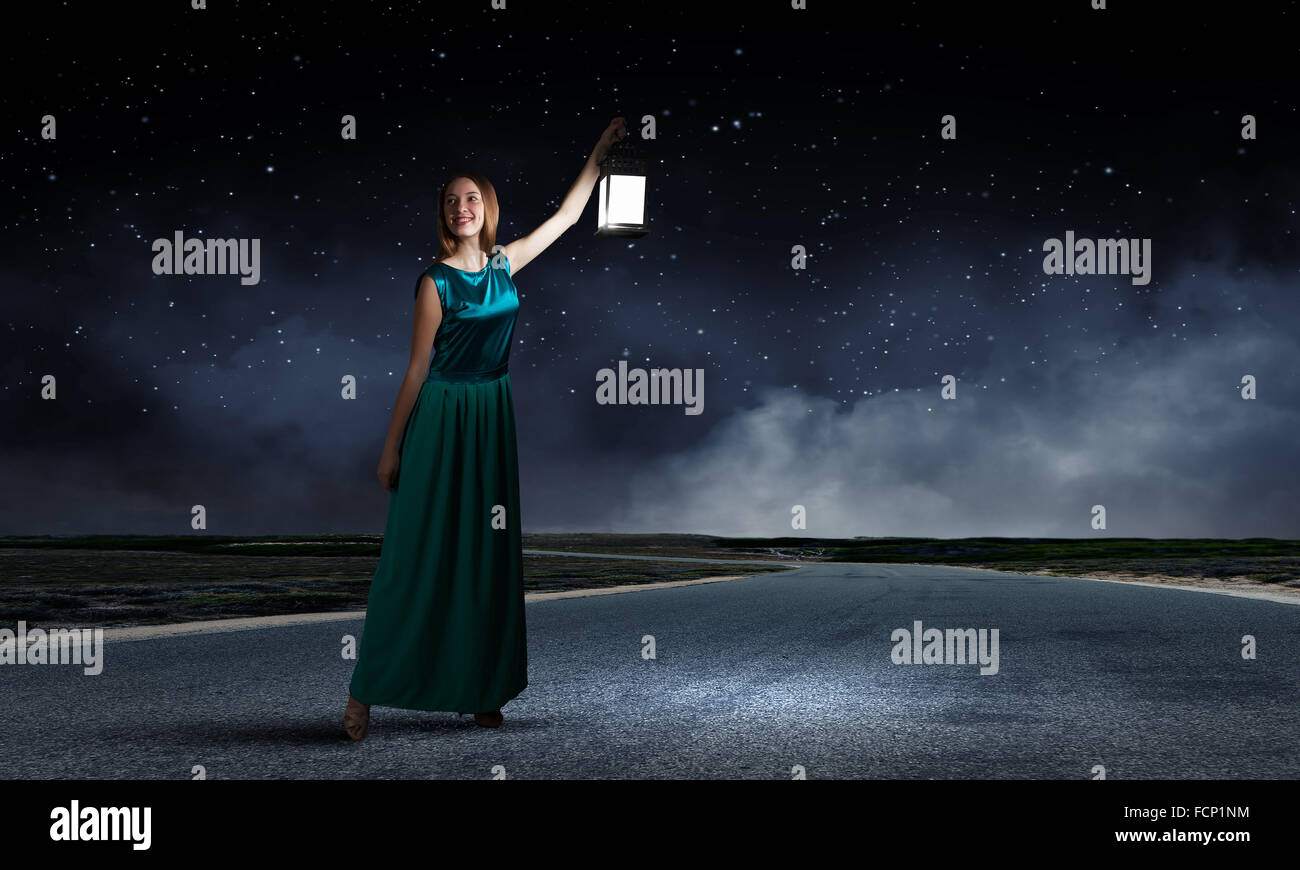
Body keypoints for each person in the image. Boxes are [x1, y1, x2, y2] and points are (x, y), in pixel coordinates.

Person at [343, 117, 629, 739]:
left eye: (472, 197)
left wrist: (599, 155)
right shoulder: (434, 282)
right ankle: (364, 692)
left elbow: (566, 218)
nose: (462, 206)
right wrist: (391, 450)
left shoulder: (504, 264)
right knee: (417, 559)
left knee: (486, 559)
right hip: (443, 417)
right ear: (443, 216)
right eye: (452, 201)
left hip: (492, 416)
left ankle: (483, 686)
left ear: (488, 207)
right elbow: (417, 372)